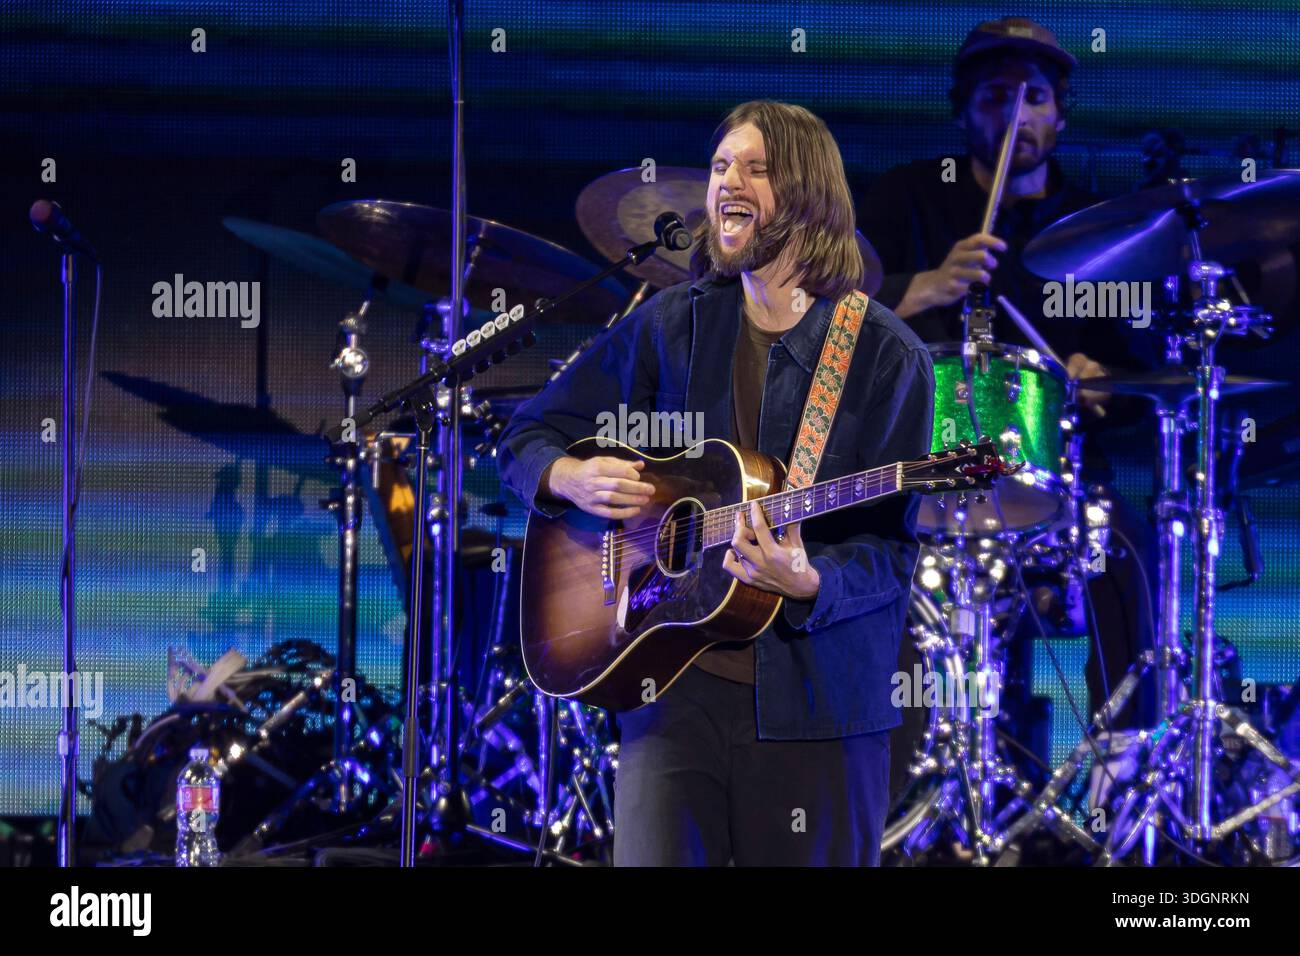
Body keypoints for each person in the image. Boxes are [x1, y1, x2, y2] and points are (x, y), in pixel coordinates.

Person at [497, 100, 934, 865]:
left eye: (755, 169)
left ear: (808, 195)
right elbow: (527, 436)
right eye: (722, 166)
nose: (727, 182)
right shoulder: (674, 320)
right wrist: (568, 474)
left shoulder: (883, 355)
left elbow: (891, 556)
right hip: (670, 689)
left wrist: (808, 580)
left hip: (818, 705)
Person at [857, 17, 1155, 733]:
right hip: (916, 469)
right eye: (995, 96)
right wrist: (917, 288)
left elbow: (1148, 381)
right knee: (842, 545)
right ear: (961, 108)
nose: (1016, 114)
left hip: (1058, 478)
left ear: (1060, 113)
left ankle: (1122, 759)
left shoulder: (1101, 224)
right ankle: (884, 767)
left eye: (1036, 98)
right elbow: (824, 321)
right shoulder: (906, 199)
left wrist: (1102, 377)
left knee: (1131, 551)